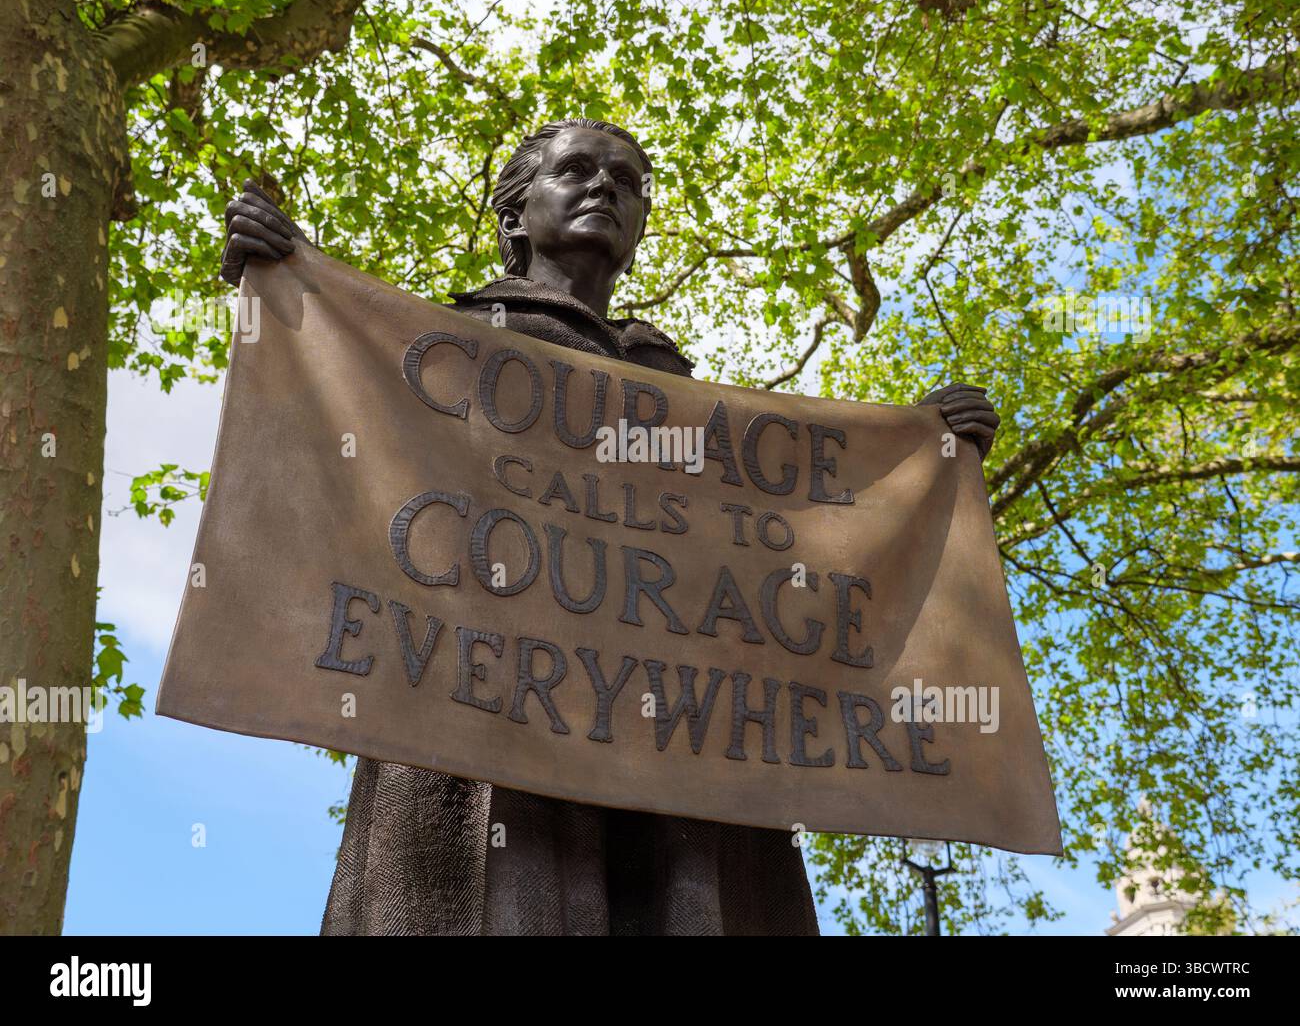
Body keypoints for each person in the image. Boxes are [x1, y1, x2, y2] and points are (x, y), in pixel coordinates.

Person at [220, 117, 1000, 935]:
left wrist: (916, 452)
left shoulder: (673, 385)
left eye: (626, 182)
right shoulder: (434, 347)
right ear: (515, 215)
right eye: (580, 170)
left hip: (666, 744)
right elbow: (330, 462)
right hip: (486, 713)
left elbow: (784, 531)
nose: (606, 188)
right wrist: (289, 296)